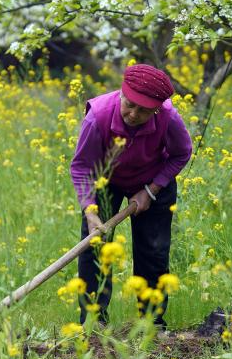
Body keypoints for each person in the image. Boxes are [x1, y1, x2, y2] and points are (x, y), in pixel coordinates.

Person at [69, 64, 193, 327]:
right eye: (129, 105)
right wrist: (90, 210)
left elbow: (182, 153)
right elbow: (81, 167)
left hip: (153, 178)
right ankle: (93, 324)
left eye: (144, 111)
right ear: (121, 94)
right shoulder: (98, 117)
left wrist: (152, 189)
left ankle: (152, 323)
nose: (134, 114)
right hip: (106, 178)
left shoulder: (168, 118)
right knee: (95, 248)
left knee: (153, 251)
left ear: (156, 109)